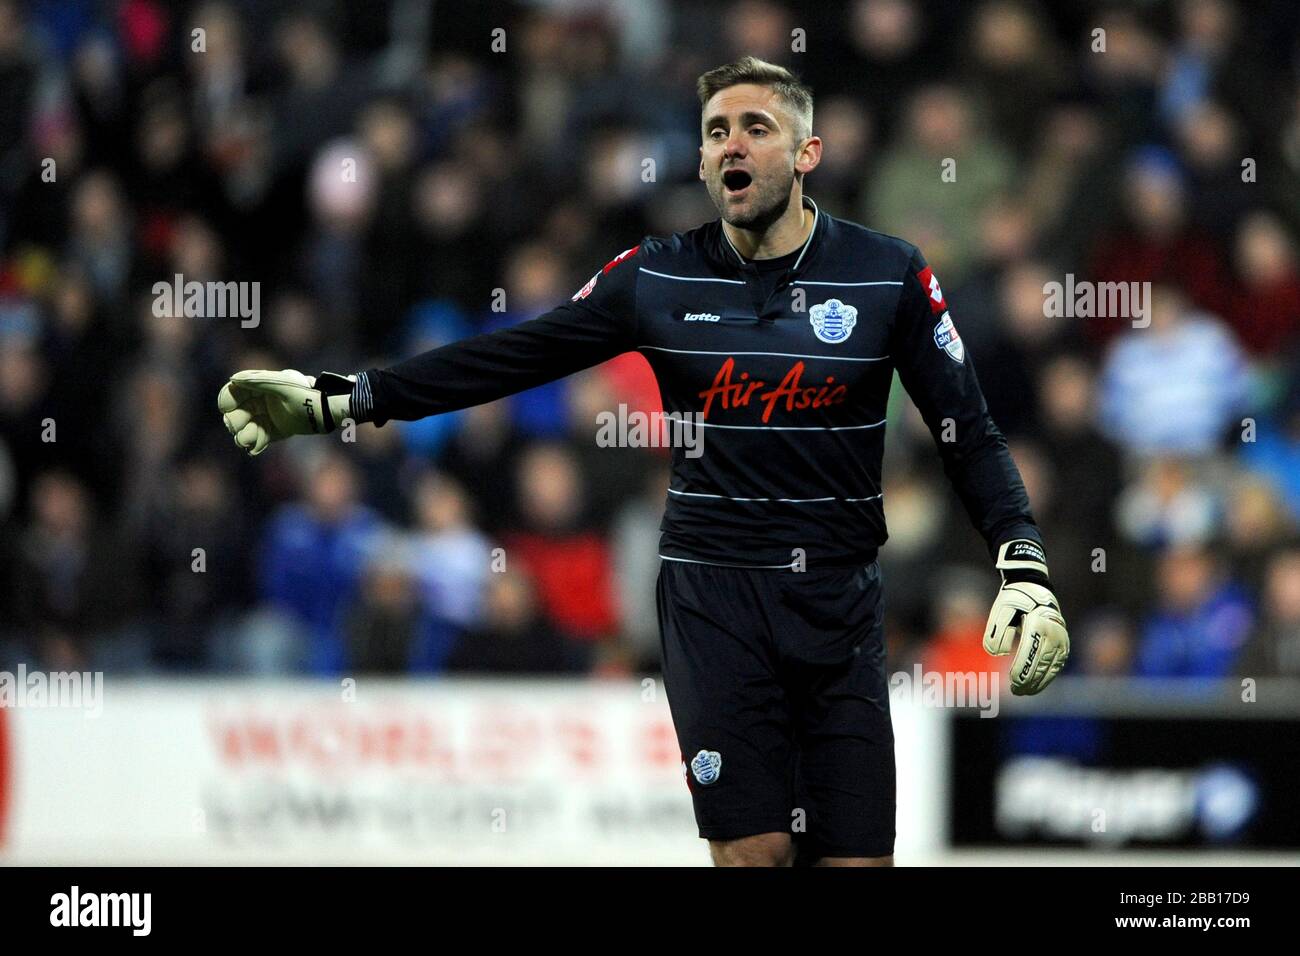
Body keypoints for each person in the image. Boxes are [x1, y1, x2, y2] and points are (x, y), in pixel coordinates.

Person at [217, 56, 1068, 867]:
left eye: (757, 127)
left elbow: (968, 428)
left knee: (856, 857)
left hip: (840, 603)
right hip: (713, 599)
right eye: (715, 130)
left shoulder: (888, 275)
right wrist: (346, 397)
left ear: (807, 153)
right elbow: (512, 356)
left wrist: (1020, 557)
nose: (732, 143)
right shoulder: (656, 278)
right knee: (757, 850)